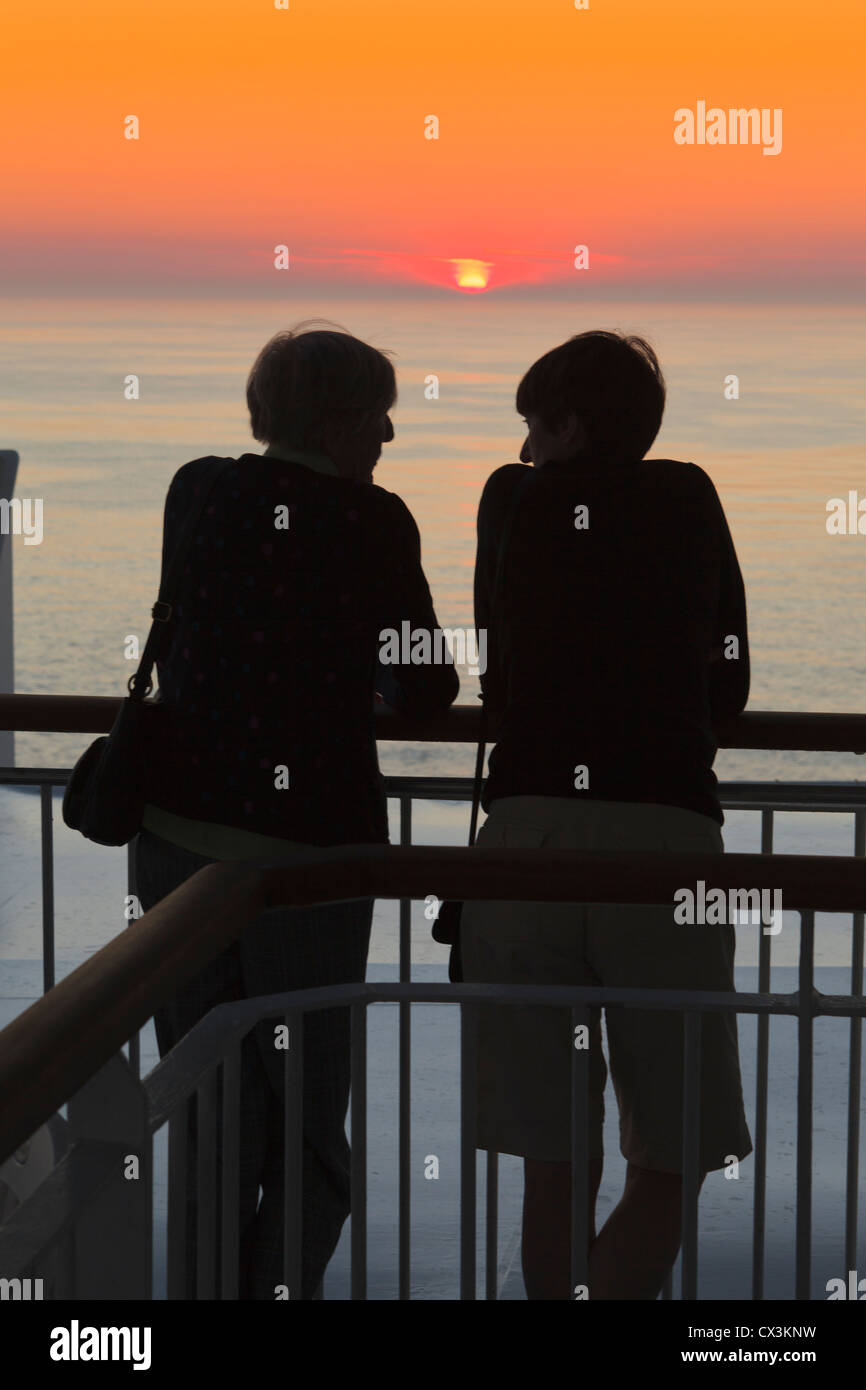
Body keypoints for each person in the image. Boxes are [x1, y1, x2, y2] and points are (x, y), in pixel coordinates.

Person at [134, 321, 458, 1299]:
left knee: (207, 1102)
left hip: (176, 848)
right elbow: (425, 686)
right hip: (307, 862)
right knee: (309, 1116)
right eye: (378, 414)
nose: (390, 434)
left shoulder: (198, 487)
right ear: (337, 420)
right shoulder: (373, 520)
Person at [460, 330, 752, 1300]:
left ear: (569, 423)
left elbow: (496, 673)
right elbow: (731, 682)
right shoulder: (687, 498)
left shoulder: (509, 503)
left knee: (553, 1159)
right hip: (663, 844)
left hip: (524, 844)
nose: (524, 454)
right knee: (670, 1153)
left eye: (532, 430)